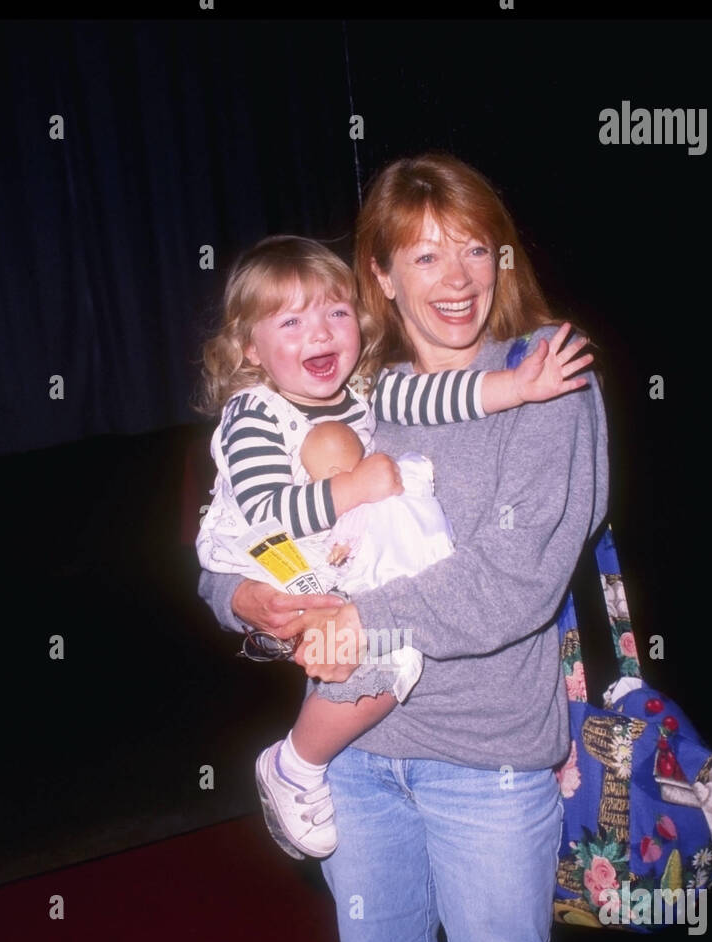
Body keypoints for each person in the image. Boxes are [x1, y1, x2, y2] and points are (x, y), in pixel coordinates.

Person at [197, 155, 608, 942]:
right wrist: (253, 596)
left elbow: (510, 586)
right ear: (380, 270)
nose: (455, 275)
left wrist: (335, 609)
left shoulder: (543, 376)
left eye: (474, 244)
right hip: (358, 763)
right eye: (421, 251)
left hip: (487, 755)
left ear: (502, 254)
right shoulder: (340, 390)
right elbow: (233, 549)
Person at [195, 234, 591, 859]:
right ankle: (296, 762)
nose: (319, 333)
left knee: (381, 650)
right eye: (291, 321)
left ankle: (304, 755)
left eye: (335, 312)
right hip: (268, 546)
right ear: (250, 348)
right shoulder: (253, 413)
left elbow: (440, 396)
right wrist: (352, 487)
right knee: (386, 656)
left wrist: (515, 388)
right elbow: (267, 512)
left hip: (332, 560)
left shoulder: (365, 391)